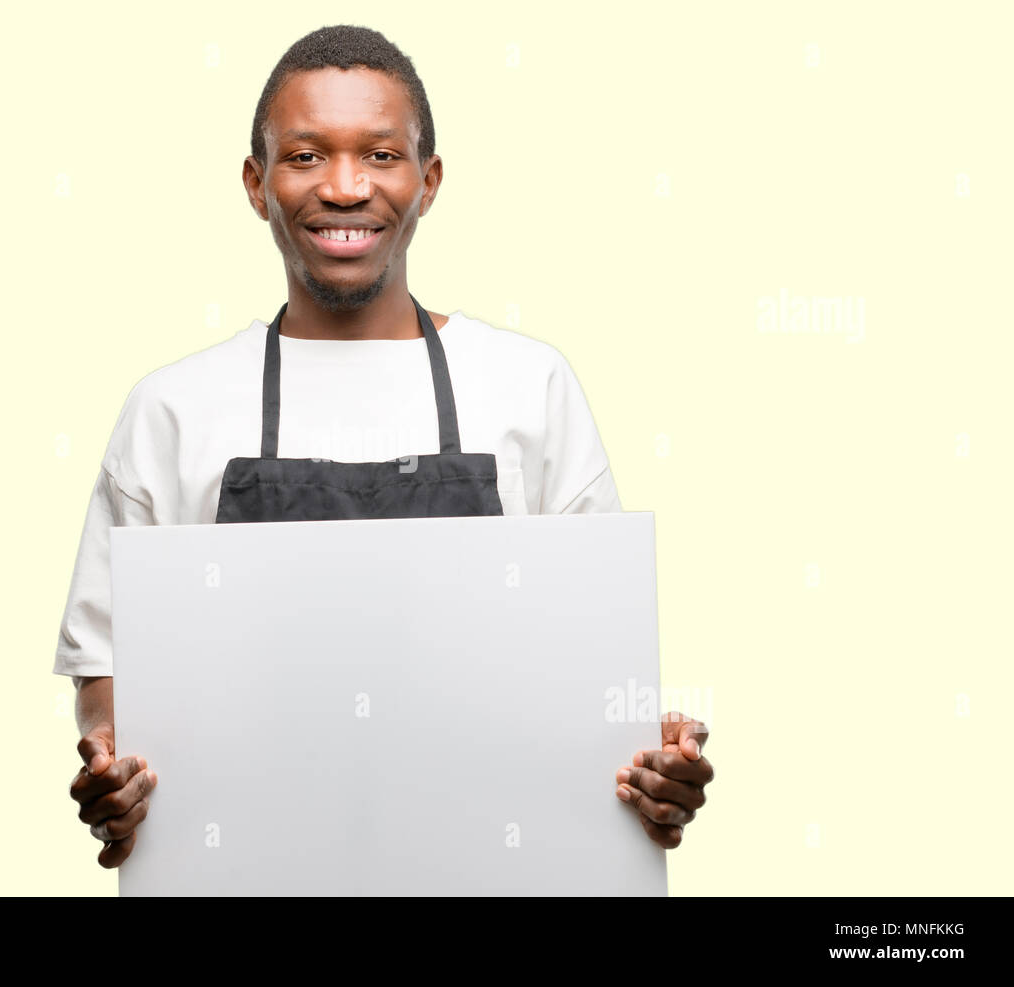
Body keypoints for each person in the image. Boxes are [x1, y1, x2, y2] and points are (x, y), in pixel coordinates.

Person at [55, 24, 714, 871]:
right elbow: (107, 679)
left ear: (428, 181)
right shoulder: (171, 410)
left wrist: (656, 764)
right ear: (256, 185)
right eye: (303, 156)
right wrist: (115, 772)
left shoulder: (528, 387)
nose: (343, 186)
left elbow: (598, 666)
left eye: (379, 154)